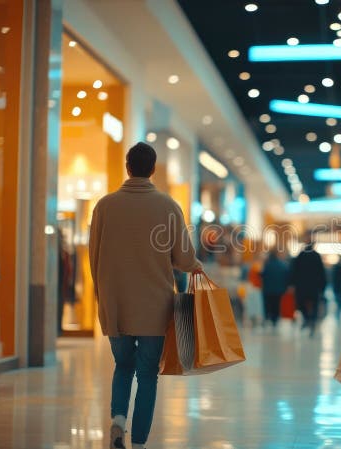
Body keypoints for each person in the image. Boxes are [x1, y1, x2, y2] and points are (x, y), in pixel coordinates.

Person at [89, 142, 203, 449]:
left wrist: (103, 296)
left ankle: (117, 421)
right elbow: (183, 258)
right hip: (154, 307)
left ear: (127, 166)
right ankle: (138, 443)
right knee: (148, 375)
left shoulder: (104, 206)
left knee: (122, 365)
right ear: (153, 169)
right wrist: (196, 266)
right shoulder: (167, 206)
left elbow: (94, 258)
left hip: (117, 305)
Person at [288, 233, 327, 337]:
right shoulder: (316, 256)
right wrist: (322, 287)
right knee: (314, 304)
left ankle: (307, 319)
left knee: (301, 304)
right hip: (314, 286)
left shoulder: (301, 255)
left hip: (302, 286)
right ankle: (311, 321)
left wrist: (292, 284)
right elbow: (322, 273)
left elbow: (294, 271)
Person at [260, 249, 289, 328]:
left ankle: (268, 317)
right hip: (278, 289)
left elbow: (262, 275)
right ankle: (275, 319)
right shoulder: (282, 265)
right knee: (276, 304)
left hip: (268, 289)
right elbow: (286, 276)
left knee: (268, 304)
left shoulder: (267, 265)